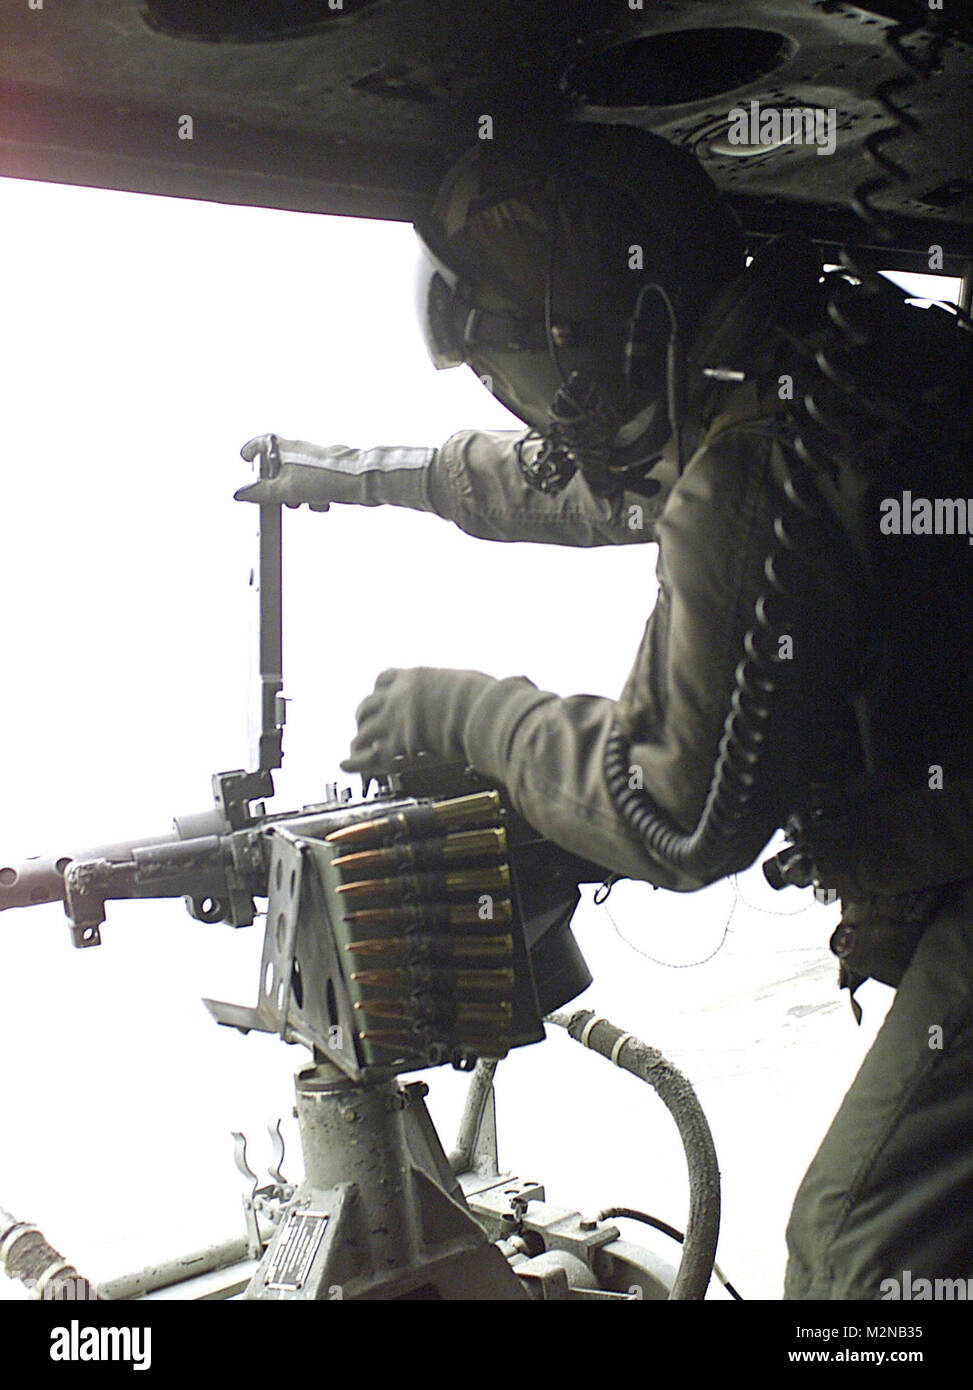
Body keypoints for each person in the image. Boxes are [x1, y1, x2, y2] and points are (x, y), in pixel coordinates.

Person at [236, 122, 973, 1299]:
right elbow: (555, 490)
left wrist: (473, 716)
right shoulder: (812, 358)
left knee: (857, 1250)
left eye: (510, 351)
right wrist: (338, 473)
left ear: (584, 343)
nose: (508, 394)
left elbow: (676, 816)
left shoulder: (755, 461)